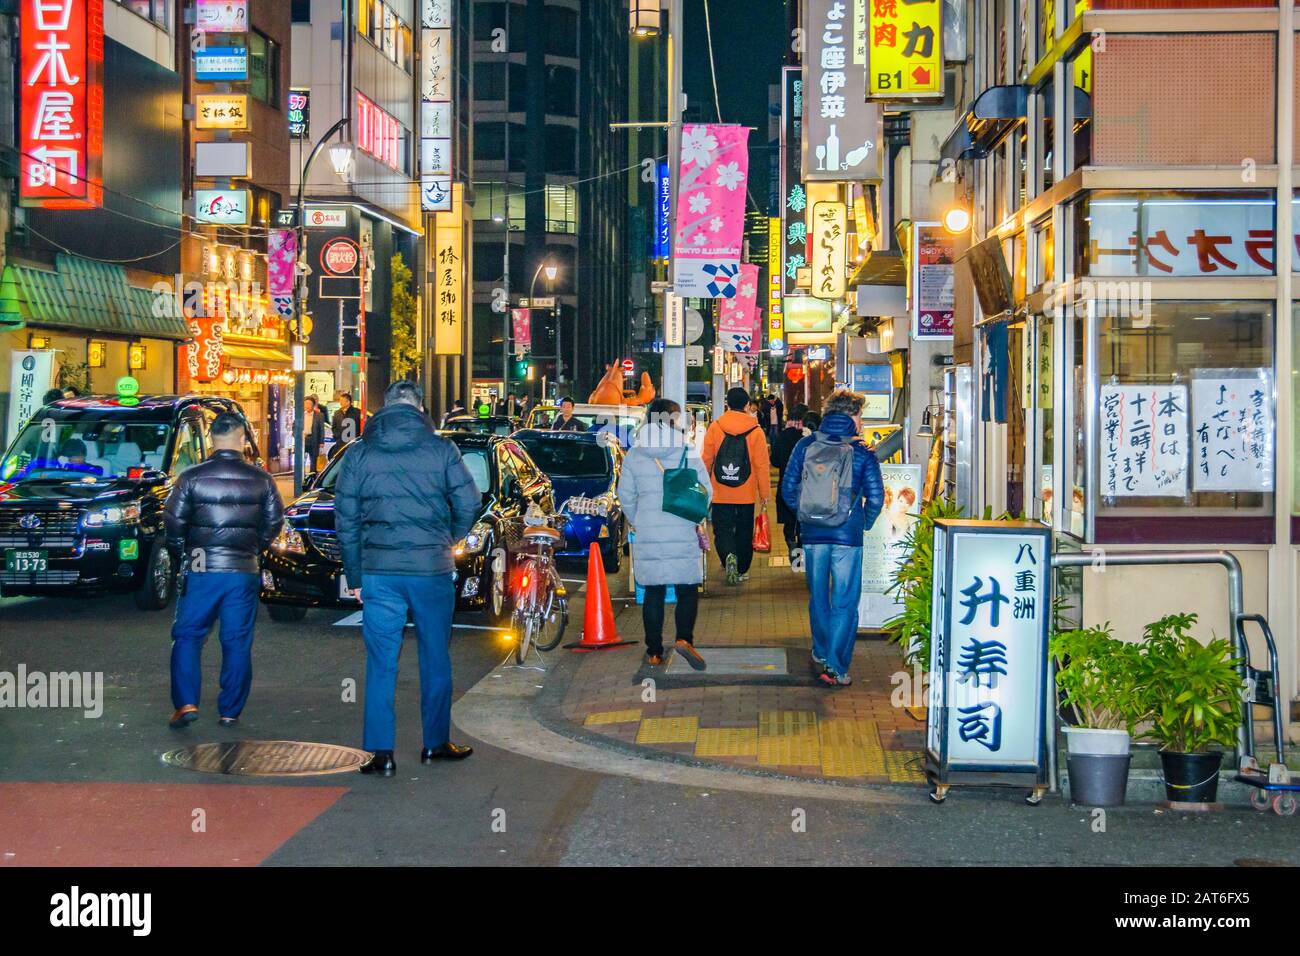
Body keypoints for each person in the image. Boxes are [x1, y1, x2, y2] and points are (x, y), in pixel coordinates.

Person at [334, 379, 482, 777]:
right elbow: (470, 501)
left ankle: (380, 752)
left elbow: (345, 518)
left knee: (381, 660)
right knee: (435, 654)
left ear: (384, 408)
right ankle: (435, 743)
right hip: (431, 569)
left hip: (379, 571)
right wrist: (448, 536)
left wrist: (355, 573)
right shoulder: (441, 448)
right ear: (420, 407)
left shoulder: (360, 453)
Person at [164, 412, 284, 729]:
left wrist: (185, 554)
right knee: (236, 639)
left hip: (201, 562)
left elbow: (173, 524)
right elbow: (274, 522)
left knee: (188, 635)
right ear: (242, 439)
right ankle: (230, 709)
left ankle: (186, 702)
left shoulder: (191, 478)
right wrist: (253, 548)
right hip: (243, 566)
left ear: (211, 440)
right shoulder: (262, 479)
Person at [780, 390, 884, 687]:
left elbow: (788, 489)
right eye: (860, 415)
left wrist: (807, 516)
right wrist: (864, 522)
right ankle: (836, 667)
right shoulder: (862, 452)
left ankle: (821, 650)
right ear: (851, 415)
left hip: (813, 536)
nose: (862, 422)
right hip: (846, 537)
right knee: (845, 601)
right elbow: (876, 496)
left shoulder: (805, 445)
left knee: (819, 598)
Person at [618, 399, 711, 670]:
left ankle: (654, 651)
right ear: (672, 419)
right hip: (682, 527)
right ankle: (684, 639)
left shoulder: (635, 453)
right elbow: (706, 489)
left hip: (648, 530)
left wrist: (640, 520)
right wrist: (696, 516)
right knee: (687, 588)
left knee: (653, 592)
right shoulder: (686, 450)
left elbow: (625, 495)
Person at [701, 386, 771, 586]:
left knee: (722, 529)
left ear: (727, 405)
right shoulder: (756, 431)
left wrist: (702, 486)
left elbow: (706, 459)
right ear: (748, 405)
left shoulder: (715, 427)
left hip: (720, 491)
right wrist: (764, 494)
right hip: (746, 493)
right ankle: (740, 569)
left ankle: (727, 556)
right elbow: (761, 465)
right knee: (743, 530)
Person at [771, 404, 809, 561]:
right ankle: (800, 552)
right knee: (803, 523)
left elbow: (774, 461)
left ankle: (790, 540)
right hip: (807, 487)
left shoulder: (783, 436)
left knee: (789, 520)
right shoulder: (808, 437)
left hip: (786, 485)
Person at [301, 395, 325, 472]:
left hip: (314, 439)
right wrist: (297, 436)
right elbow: (294, 427)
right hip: (303, 439)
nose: (307, 406)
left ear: (313, 405)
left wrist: (321, 441)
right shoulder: (300, 414)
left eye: (309, 404)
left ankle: (312, 477)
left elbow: (321, 429)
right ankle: (301, 476)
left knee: (314, 460)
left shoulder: (319, 415)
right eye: (305, 403)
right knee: (301, 460)